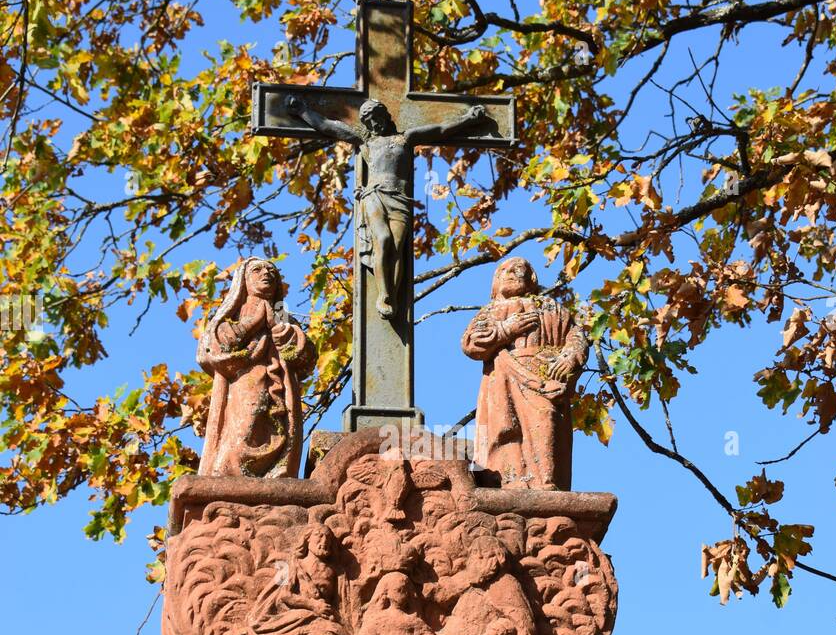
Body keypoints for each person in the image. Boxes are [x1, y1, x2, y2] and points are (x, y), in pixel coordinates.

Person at [278, 93, 488, 318]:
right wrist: (301, 110)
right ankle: (383, 295)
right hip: (374, 195)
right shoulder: (366, 141)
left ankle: (392, 297)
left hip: (399, 199)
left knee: (397, 247)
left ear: (385, 116)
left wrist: (469, 119)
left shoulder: (406, 138)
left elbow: (441, 130)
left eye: (376, 118)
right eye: (368, 122)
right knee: (384, 239)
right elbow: (329, 126)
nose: (373, 124)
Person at [462, 256, 588, 491]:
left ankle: (545, 482)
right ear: (496, 281)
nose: (512, 272)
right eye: (505, 270)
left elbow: (577, 337)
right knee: (505, 428)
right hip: (504, 377)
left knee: (546, 420)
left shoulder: (551, 307)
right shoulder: (491, 311)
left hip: (547, 375)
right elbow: (471, 344)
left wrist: (570, 356)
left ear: (531, 279)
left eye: (519, 269)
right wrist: (506, 329)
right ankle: (508, 481)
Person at [197, 256, 316, 477]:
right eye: (257, 270)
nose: (266, 274)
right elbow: (212, 349)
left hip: (281, 384)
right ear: (244, 280)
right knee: (245, 424)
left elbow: (306, 358)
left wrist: (280, 329)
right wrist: (250, 324)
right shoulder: (231, 316)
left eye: (271, 271)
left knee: (280, 426)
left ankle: (277, 470)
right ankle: (229, 472)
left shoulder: (284, 319)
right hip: (244, 381)